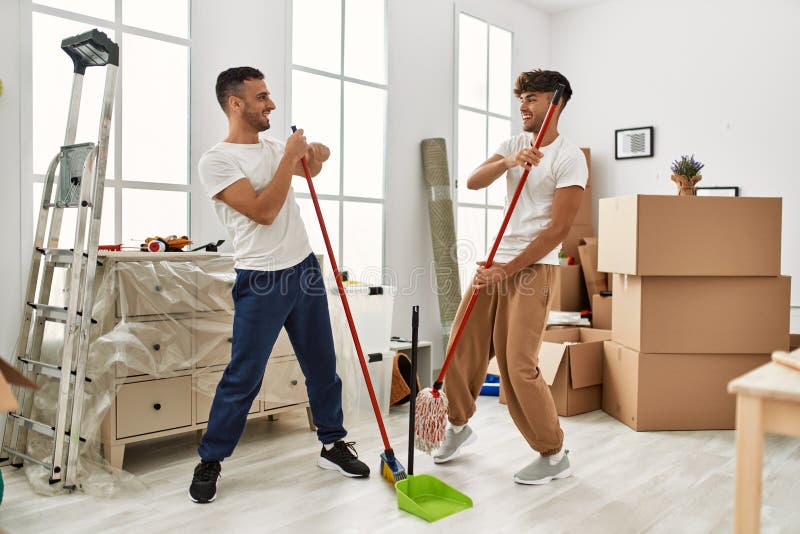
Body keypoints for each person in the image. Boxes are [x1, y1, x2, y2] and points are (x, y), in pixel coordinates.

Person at [189, 66, 369, 504]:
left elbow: (312, 171)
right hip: (261, 278)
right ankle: (211, 459)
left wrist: (315, 153)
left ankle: (332, 443)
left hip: (304, 268)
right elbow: (265, 211)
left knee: (323, 368)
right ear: (236, 104)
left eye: (269, 96)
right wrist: (291, 157)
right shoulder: (217, 161)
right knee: (243, 377)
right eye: (261, 97)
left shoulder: (273, 147)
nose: (271, 104)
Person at [432, 69, 588, 485]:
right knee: (462, 346)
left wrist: (508, 269)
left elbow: (557, 231)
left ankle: (553, 453)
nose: (523, 105)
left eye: (532, 98)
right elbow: (472, 181)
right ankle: (458, 425)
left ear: (555, 104)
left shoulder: (569, 157)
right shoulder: (514, 144)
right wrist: (509, 161)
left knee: (517, 362)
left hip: (533, 268)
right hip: (494, 263)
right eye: (521, 98)